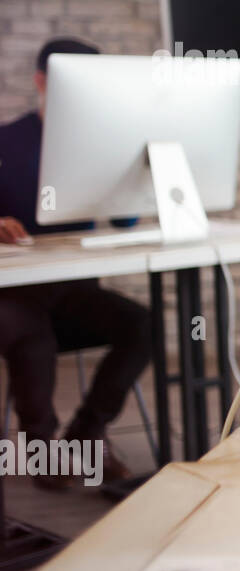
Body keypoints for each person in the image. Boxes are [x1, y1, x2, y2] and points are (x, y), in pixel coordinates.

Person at [0, 38, 149, 489]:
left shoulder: (97, 142)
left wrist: (137, 164)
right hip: (14, 295)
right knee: (30, 334)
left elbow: (124, 218)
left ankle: (87, 435)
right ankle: (46, 454)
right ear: (42, 81)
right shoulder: (7, 140)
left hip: (74, 293)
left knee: (142, 325)